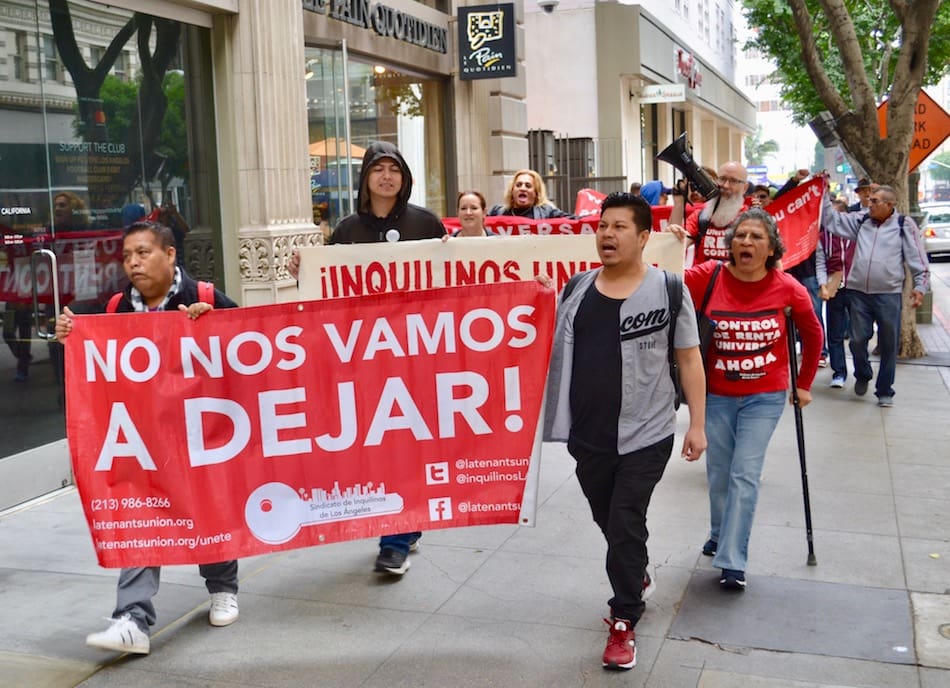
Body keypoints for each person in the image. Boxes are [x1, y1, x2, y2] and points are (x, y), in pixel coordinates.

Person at [54, 220, 240, 655]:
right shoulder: (117, 307)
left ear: (170, 254)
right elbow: (99, 364)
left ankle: (222, 586)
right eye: (126, 256)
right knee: (141, 518)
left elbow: (249, 349)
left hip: (198, 432)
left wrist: (213, 327)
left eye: (142, 253)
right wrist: (72, 339)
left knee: (204, 508)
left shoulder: (206, 298)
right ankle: (132, 619)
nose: (133, 263)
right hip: (142, 438)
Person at [543, 192, 707, 671]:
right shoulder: (575, 289)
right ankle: (635, 572)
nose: (608, 235)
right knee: (609, 520)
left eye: (619, 227)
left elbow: (689, 357)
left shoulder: (670, 290)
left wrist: (696, 423)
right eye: (602, 227)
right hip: (588, 436)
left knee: (624, 519)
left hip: (648, 431)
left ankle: (624, 619)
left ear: (643, 236)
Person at [290, 140, 444, 576]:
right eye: (378, 168)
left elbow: (453, 279)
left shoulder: (426, 223)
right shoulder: (347, 230)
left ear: (404, 177)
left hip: (416, 354)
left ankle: (396, 539)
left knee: (409, 443)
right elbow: (328, 290)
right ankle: (403, 527)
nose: (387, 176)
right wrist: (305, 268)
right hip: (368, 359)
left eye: (394, 168)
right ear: (365, 179)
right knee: (384, 444)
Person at [679, 207, 822, 590]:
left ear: (772, 247)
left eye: (756, 237)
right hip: (717, 394)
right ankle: (718, 531)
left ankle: (732, 559)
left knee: (745, 473)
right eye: (740, 236)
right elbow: (663, 280)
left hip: (765, 396)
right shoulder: (708, 277)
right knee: (719, 473)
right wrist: (668, 244)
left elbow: (813, 334)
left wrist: (804, 382)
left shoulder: (788, 287)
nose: (746, 242)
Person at [821, 185, 929, 406]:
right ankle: (863, 373)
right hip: (859, 292)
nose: (869, 205)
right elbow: (831, 220)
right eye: (869, 200)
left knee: (889, 343)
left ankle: (884, 390)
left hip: (888, 294)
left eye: (875, 201)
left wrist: (921, 286)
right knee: (857, 340)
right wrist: (822, 191)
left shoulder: (903, 225)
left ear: (889, 205)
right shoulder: (861, 221)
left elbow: (917, 258)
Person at [816, 198, 855, 388]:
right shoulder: (823, 236)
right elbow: (821, 262)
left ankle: (862, 369)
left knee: (860, 334)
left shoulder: (858, 234)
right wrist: (823, 284)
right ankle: (839, 372)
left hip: (857, 289)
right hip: (835, 289)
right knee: (835, 332)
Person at [679, 161, 750, 264]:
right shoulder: (700, 215)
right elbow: (679, 244)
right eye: (722, 179)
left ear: (745, 188)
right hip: (701, 279)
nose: (725, 185)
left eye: (733, 181)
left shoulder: (753, 219)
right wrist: (678, 204)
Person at [487, 169, 574, 219]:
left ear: (536, 193)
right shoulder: (497, 212)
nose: (522, 188)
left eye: (528, 186)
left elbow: (573, 221)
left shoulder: (547, 213)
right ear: (512, 190)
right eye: (518, 185)